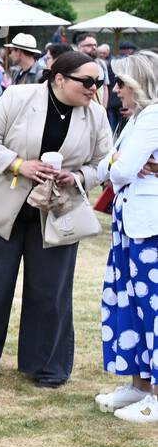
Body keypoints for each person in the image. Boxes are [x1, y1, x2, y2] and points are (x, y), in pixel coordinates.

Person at [0, 51, 112, 387]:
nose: (93, 88)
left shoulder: (96, 115)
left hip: (56, 213)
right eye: (86, 81)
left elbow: (104, 163)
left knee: (50, 290)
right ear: (59, 79)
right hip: (1, 205)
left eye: (97, 82)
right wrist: (17, 165)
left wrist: (79, 176)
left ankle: (47, 367)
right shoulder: (18, 97)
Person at [95, 50, 158, 421]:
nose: (115, 89)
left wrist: (121, 165)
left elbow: (119, 171)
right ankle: (139, 386)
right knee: (129, 305)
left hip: (147, 228)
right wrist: (121, 164)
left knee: (151, 309)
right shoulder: (136, 119)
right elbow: (108, 166)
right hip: (130, 226)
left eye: (121, 83)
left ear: (139, 84)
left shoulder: (151, 116)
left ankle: (152, 394)